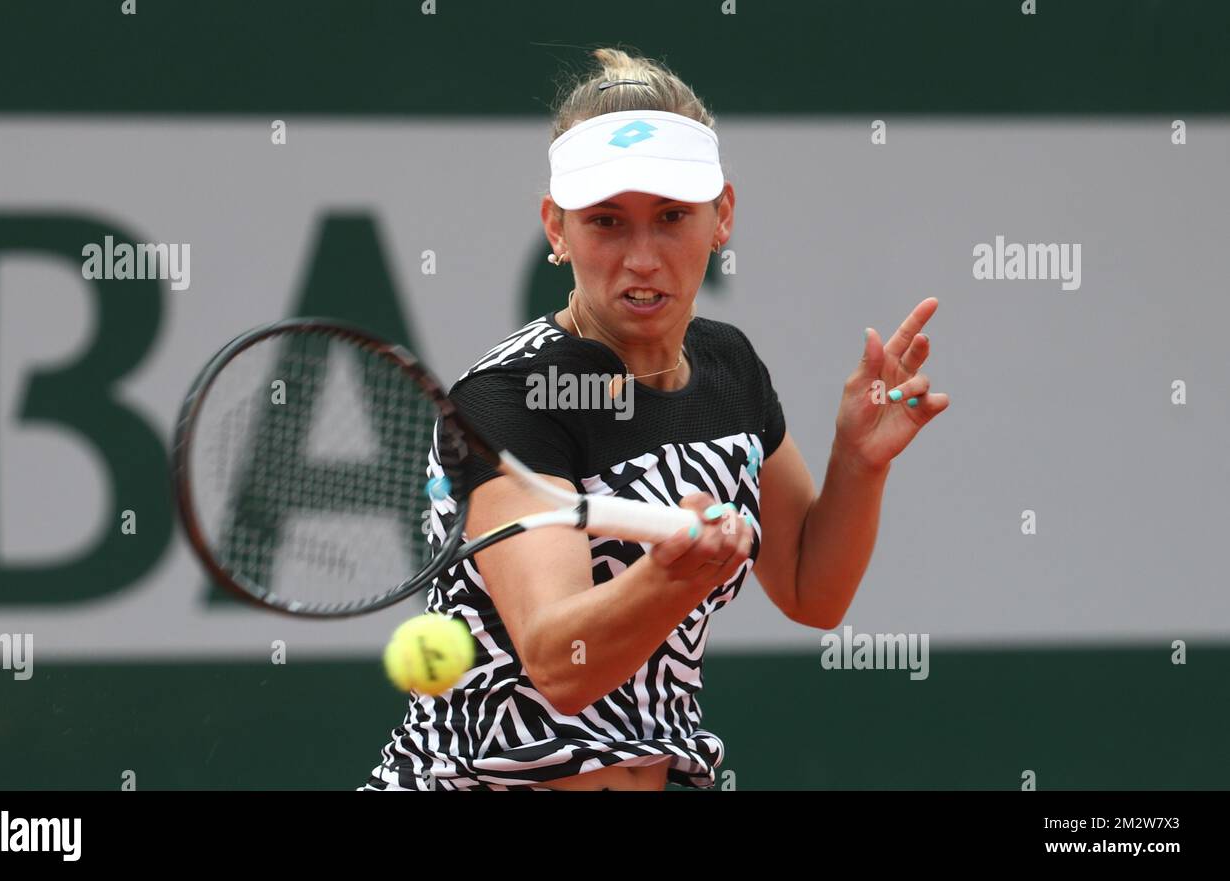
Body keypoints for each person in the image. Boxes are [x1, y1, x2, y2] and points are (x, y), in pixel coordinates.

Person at [361, 46, 948, 791]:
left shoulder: (728, 366)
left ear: (721, 215)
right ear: (556, 227)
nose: (642, 257)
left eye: (672, 216)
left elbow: (811, 590)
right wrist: (674, 577)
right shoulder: (511, 399)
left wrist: (858, 462)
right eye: (607, 222)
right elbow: (556, 659)